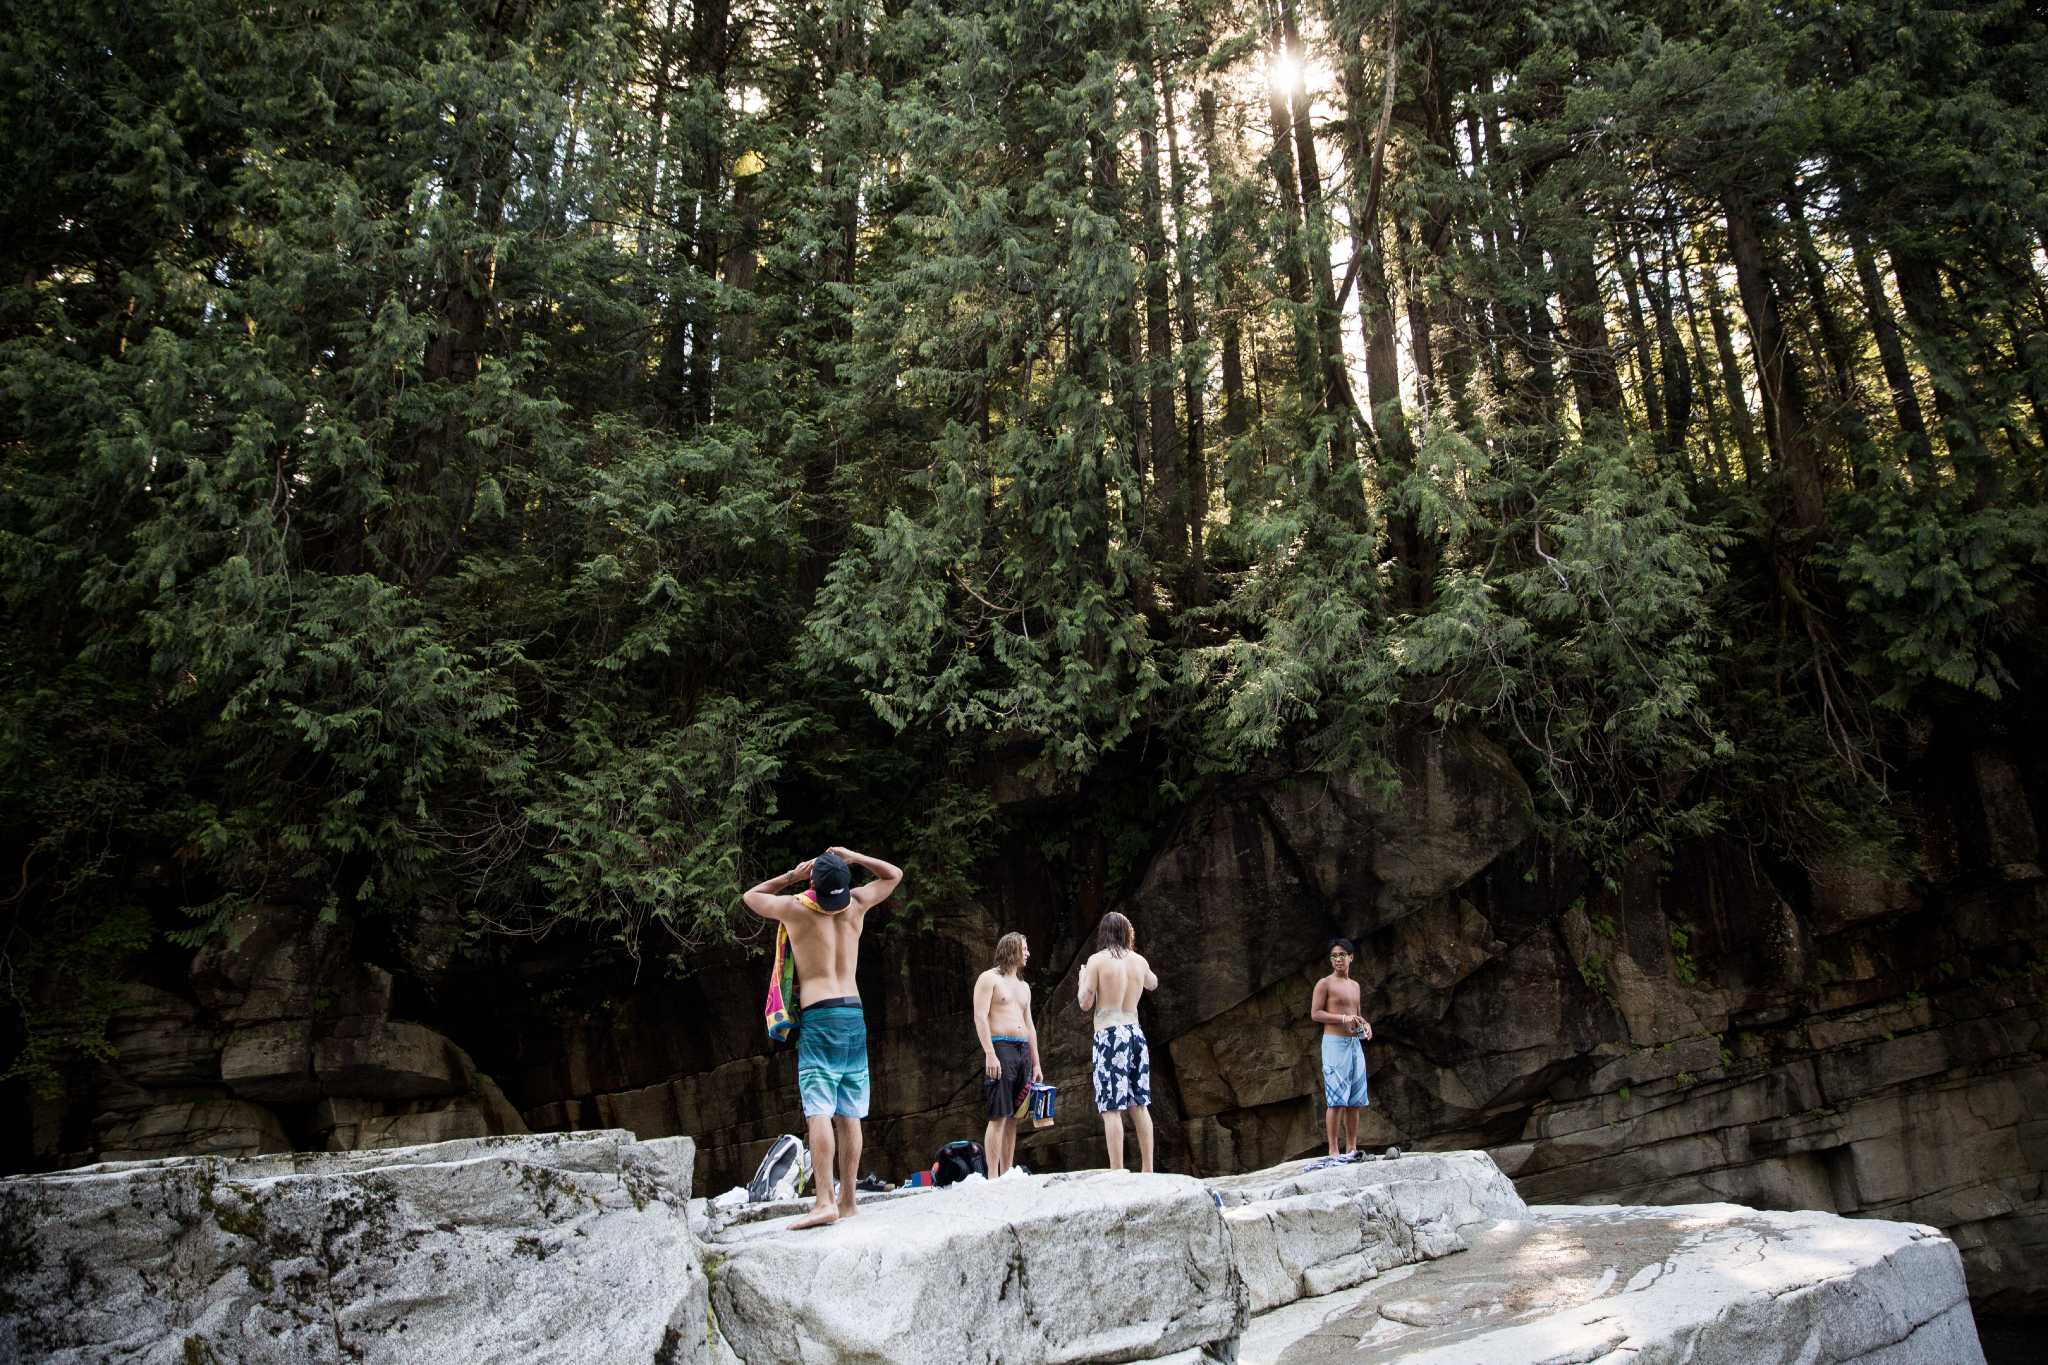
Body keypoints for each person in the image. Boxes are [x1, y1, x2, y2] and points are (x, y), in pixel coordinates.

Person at [743, 845, 903, 1229]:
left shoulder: (796, 909)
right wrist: (855, 857)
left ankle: (824, 1201)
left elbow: (751, 897)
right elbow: (894, 875)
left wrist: (792, 877)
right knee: (849, 1112)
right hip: (853, 1014)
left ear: (812, 883)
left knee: (819, 1110)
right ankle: (848, 1201)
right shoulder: (857, 904)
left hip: (820, 1015)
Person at [1077, 911, 1158, 1173]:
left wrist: (1082, 980)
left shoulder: (1097, 961)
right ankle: (1148, 1170)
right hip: (1135, 1033)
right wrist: (1137, 969)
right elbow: (1153, 983)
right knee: (1139, 1104)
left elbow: (1085, 1003)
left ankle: (1117, 1171)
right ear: (1127, 933)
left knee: (1111, 1107)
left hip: (1110, 1035)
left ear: (1104, 933)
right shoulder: (1138, 960)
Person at [973, 932, 1041, 1178]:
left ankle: (1007, 1172)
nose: (1028, 953)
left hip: (1023, 1051)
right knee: (999, 1114)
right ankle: (993, 1175)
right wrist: (989, 1053)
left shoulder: (1024, 987)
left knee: (1015, 1116)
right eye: (1024, 948)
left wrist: (1036, 1063)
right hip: (1000, 1047)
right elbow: (980, 1017)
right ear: (1012, 949)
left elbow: (1030, 1025)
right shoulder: (988, 979)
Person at [1310, 937, 1373, 1157]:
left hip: (1354, 1044)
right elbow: (1316, 1014)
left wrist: (1366, 1025)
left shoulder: (1355, 986)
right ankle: (1333, 1150)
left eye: (1342, 955)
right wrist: (1342, 1018)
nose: (1338, 959)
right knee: (1336, 1100)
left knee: (1355, 1101)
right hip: (1334, 1044)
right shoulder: (1324, 983)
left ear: (1351, 957)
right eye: (1334, 956)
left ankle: (1352, 1147)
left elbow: (1357, 1015)